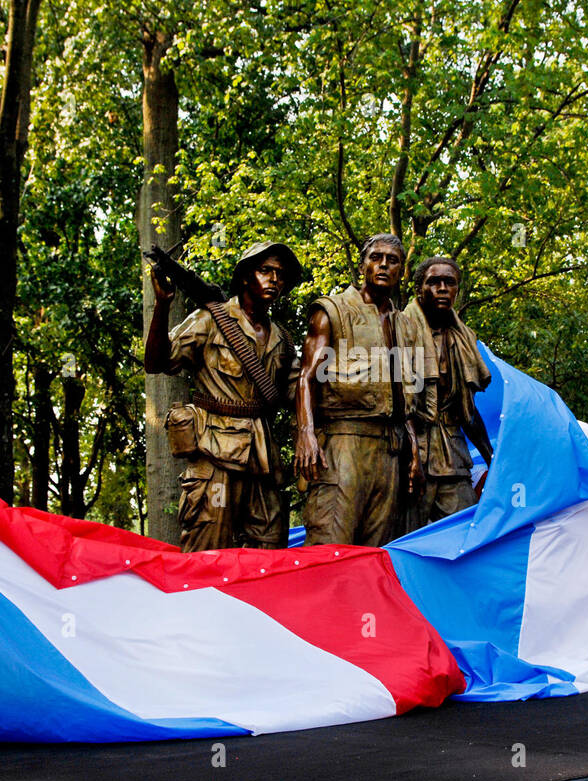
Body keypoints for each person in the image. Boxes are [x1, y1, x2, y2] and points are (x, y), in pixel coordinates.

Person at [143, 241, 301, 552]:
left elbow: (300, 391)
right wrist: (162, 306)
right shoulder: (209, 320)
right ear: (245, 277)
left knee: (270, 549)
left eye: (280, 275)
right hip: (215, 457)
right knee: (208, 549)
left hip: (263, 461)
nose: (274, 280)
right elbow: (156, 362)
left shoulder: (282, 338)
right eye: (265, 271)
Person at [296, 234, 427, 546]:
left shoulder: (405, 325)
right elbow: (306, 377)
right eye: (376, 258)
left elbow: (405, 394)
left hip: (391, 450)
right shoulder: (332, 311)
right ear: (363, 265)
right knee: (332, 543)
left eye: (392, 260)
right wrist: (306, 433)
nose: (383, 265)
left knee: (377, 553)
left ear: (402, 270)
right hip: (344, 442)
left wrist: (414, 451)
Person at [401, 257, 493, 532]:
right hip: (408, 456)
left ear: (457, 290)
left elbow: (468, 409)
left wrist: (492, 458)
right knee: (405, 541)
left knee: (465, 534)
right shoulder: (396, 330)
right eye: (433, 282)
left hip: (452, 455)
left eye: (449, 283)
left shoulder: (464, 339)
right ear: (419, 289)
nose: (442, 288)